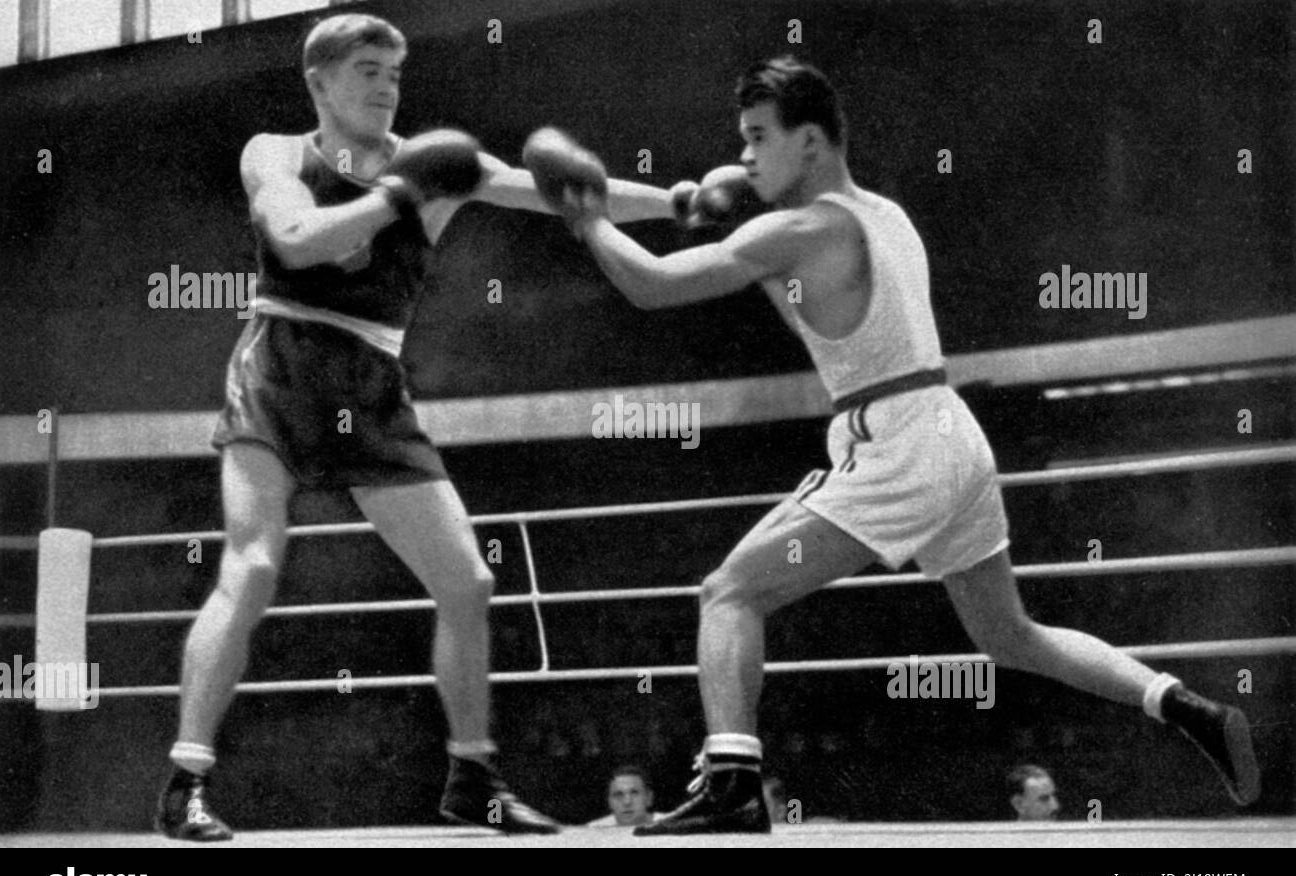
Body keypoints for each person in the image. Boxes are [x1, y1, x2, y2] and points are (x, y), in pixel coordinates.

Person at [540, 55, 1261, 835]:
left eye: (757, 136)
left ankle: (734, 785)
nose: (745, 155)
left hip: (896, 441)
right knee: (1008, 633)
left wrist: (589, 221)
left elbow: (652, 284)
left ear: (810, 141)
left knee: (728, 592)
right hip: (951, 429)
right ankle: (1182, 703)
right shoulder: (886, 214)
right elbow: (811, 306)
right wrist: (718, 211)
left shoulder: (802, 227)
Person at [154, 12, 675, 840]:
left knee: (467, 583)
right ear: (319, 83)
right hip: (280, 365)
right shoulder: (277, 152)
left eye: (394, 71)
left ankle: (474, 776)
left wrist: (679, 200)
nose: (387, 85)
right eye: (367, 70)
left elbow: (561, 194)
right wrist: (402, 194)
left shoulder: (434, 164)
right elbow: (296, 241)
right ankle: (185, 784)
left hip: (373, 379)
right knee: (251, 568)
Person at [587, 766, 662, 827]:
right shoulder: (594, 831)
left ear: (649, 798)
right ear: (609, 802)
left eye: (634, 793)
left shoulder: (669, 827)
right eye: (618, 794)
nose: (627, 802)